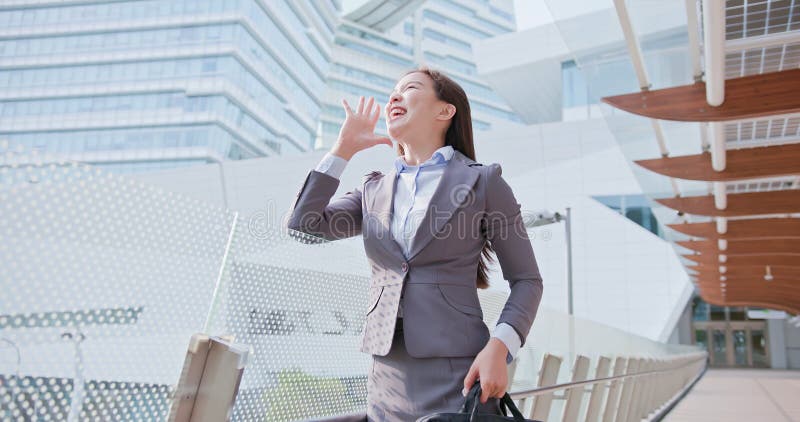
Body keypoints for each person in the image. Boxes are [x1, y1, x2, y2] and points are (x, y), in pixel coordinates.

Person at [286, 66, 544, 421]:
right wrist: (342, 150)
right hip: (386, 375)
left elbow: (527, 280)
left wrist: (500, 348)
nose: (394, 96)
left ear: (444, 111)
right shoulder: (372, 190)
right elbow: (304, 227)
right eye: (392, 91)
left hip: (459, 372)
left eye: (408, 88)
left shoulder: (483, 183)